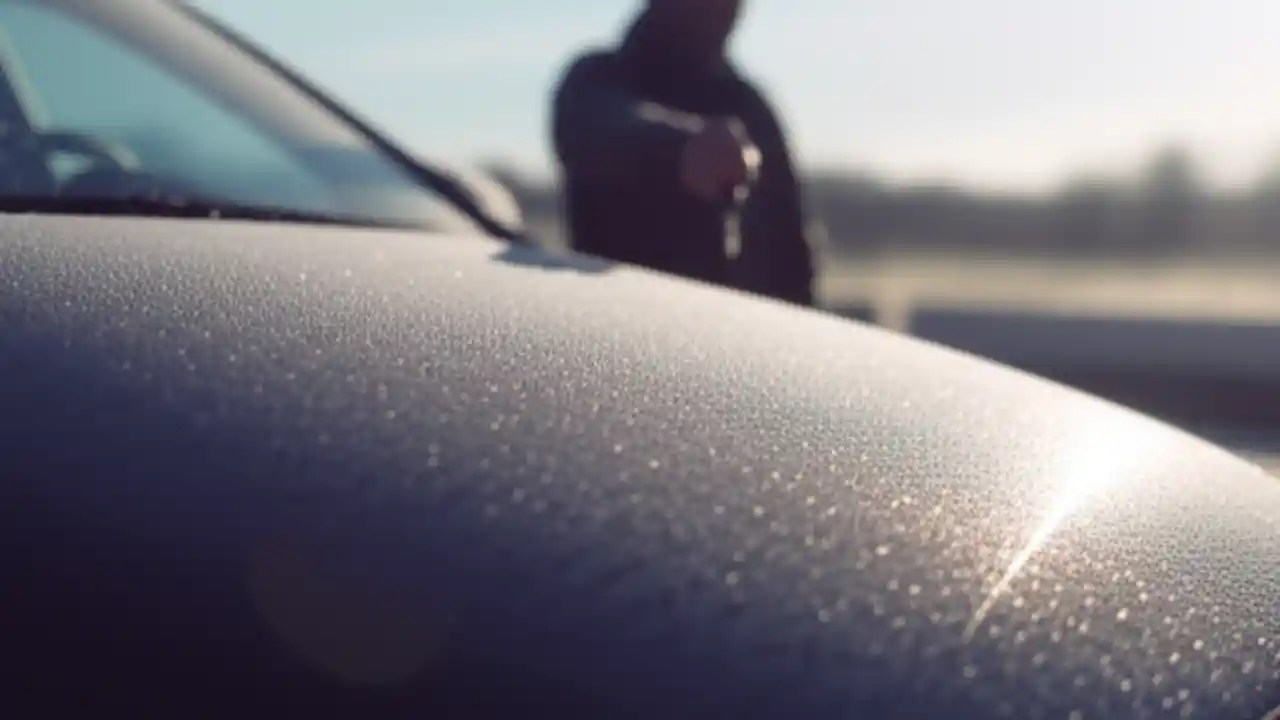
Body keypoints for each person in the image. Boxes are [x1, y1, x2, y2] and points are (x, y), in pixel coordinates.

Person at [551, 0, 815, 306]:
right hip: (616, 325)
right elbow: (599, 130)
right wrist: (678, 148)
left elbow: (792, 253)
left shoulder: (749, 105)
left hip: (744, 339)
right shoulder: (595, 80)